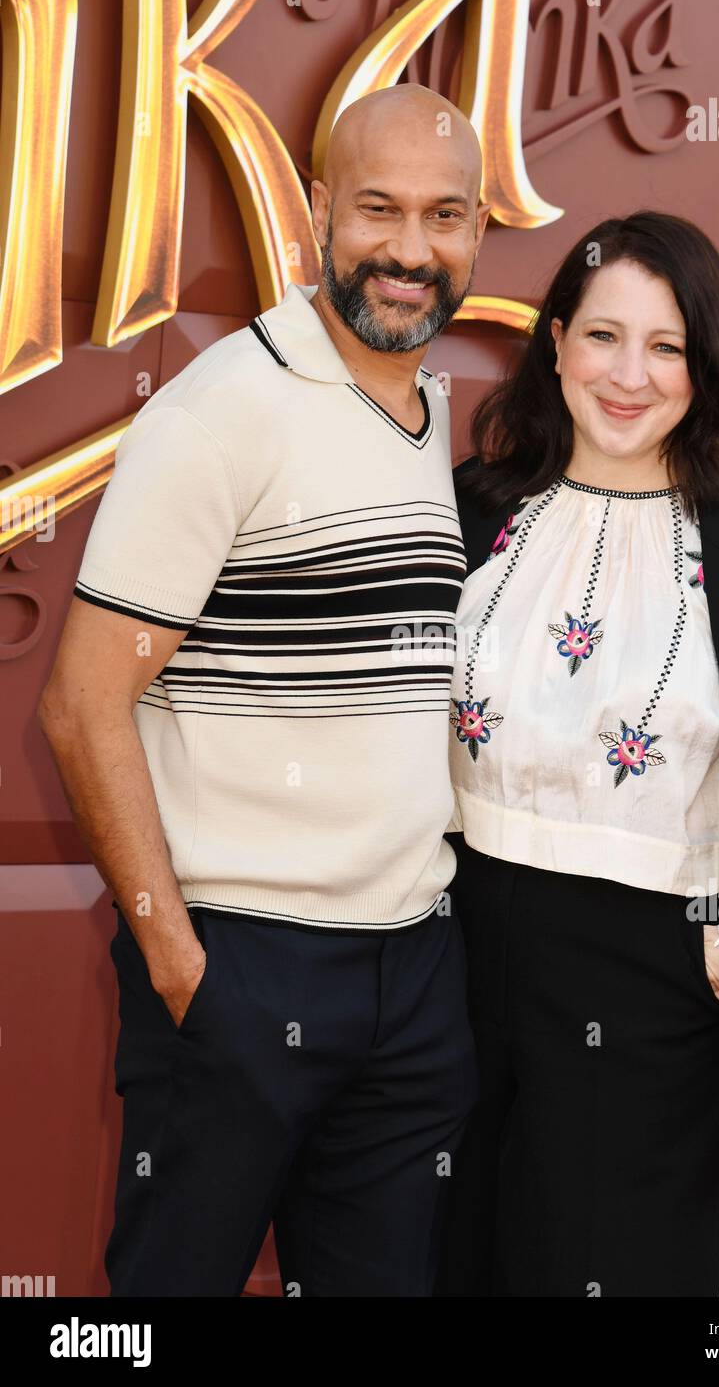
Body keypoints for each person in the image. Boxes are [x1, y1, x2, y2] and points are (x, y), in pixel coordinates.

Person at [38, 84, 491, 1297]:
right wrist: (185, 970)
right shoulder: (219, 412)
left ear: (479, 230)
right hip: (241, 969)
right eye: (379, 209)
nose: (409, 250)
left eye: (443, 215)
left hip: (412, 982)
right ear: (316, 211)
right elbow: (81, 706)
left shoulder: (428, 416)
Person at [435, 211, 719, 1297]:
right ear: (553, 342)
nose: (627, 374)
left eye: (666, 345)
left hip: (652, 986)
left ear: (707, 366)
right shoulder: (467, 512)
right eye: (601, 336)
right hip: (443, 967)